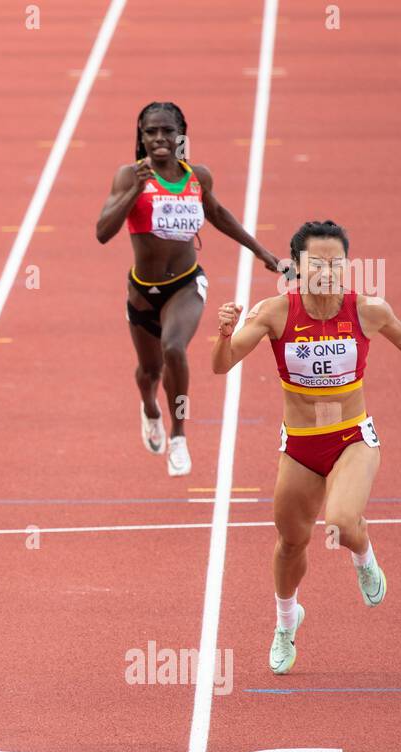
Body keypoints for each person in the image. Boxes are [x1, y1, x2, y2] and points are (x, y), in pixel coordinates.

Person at [211, 220, 401, 673]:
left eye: (337, 262)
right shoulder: (274, 312)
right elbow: (223, 365)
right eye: (318, 262)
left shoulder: (366, 310)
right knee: (291, 543)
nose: (329, 270)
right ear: (296, 266)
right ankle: (286, 623)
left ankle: (364, 556)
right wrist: (222, 333)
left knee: (341, 522)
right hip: (300, 446)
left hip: (352, 437)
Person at [96, 102, 280, 475]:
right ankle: (150, 408)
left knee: (174, 349)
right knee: (149, 372)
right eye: (151, 132)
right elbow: (103, 232)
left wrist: (262, 251)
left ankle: (179, 435)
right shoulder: (127, 176)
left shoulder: (198, 176)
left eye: (167, 131)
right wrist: (136, 190)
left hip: (186, 283)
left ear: (181, 135)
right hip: (142, 290)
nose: (160, 138)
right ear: (141, 136)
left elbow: (216, 214)